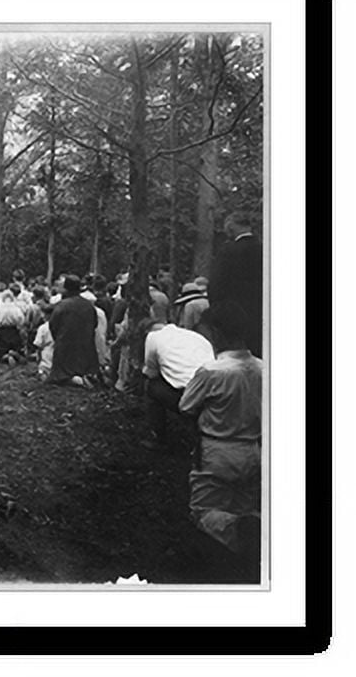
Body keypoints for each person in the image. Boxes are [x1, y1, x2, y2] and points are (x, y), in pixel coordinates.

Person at [179, 302, 262, 561]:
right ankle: (248, 550)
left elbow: (186, 407)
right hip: (253, 449)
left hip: (217, 450)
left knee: (205, 511)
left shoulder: (211, 372)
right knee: (245, 504)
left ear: (216, 332)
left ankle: (230, 543)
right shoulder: (264, 368)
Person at [141, 303, 215, 450]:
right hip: (213, 389)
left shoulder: (152, 337)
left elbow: (151, 372)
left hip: (187, 395)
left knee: (150, 386)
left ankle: (158, 437)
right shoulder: (192, 335)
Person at [208, 212, 263, 357]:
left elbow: (216, 284)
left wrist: (216, 311)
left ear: (231, 226)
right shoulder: (265, 249)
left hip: (234, 318)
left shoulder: (228, 251)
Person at [47, 276, 99, 385]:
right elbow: (95, 324)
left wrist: (59, 338)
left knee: (60, 376)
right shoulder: (89, 305)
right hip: (86, 348)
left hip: (65, 347)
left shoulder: (62, 306)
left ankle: (74, 380)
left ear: (66, 289)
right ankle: (86, 377)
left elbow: (53, 325)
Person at [0, 290, 26, 366]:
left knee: (2, 351)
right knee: (16, 347)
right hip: (14, 331)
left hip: (2, 332)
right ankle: (14, 354)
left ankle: (6, 356)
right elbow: (21, 320)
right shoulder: (16, 309)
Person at [33, 306, 55, 381]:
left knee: (43, 369)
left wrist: (38, 359)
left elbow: (38, 345)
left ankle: (43, 374)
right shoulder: (63, 326)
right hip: (60, 354)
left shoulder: (43, 328)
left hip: (46, 354)